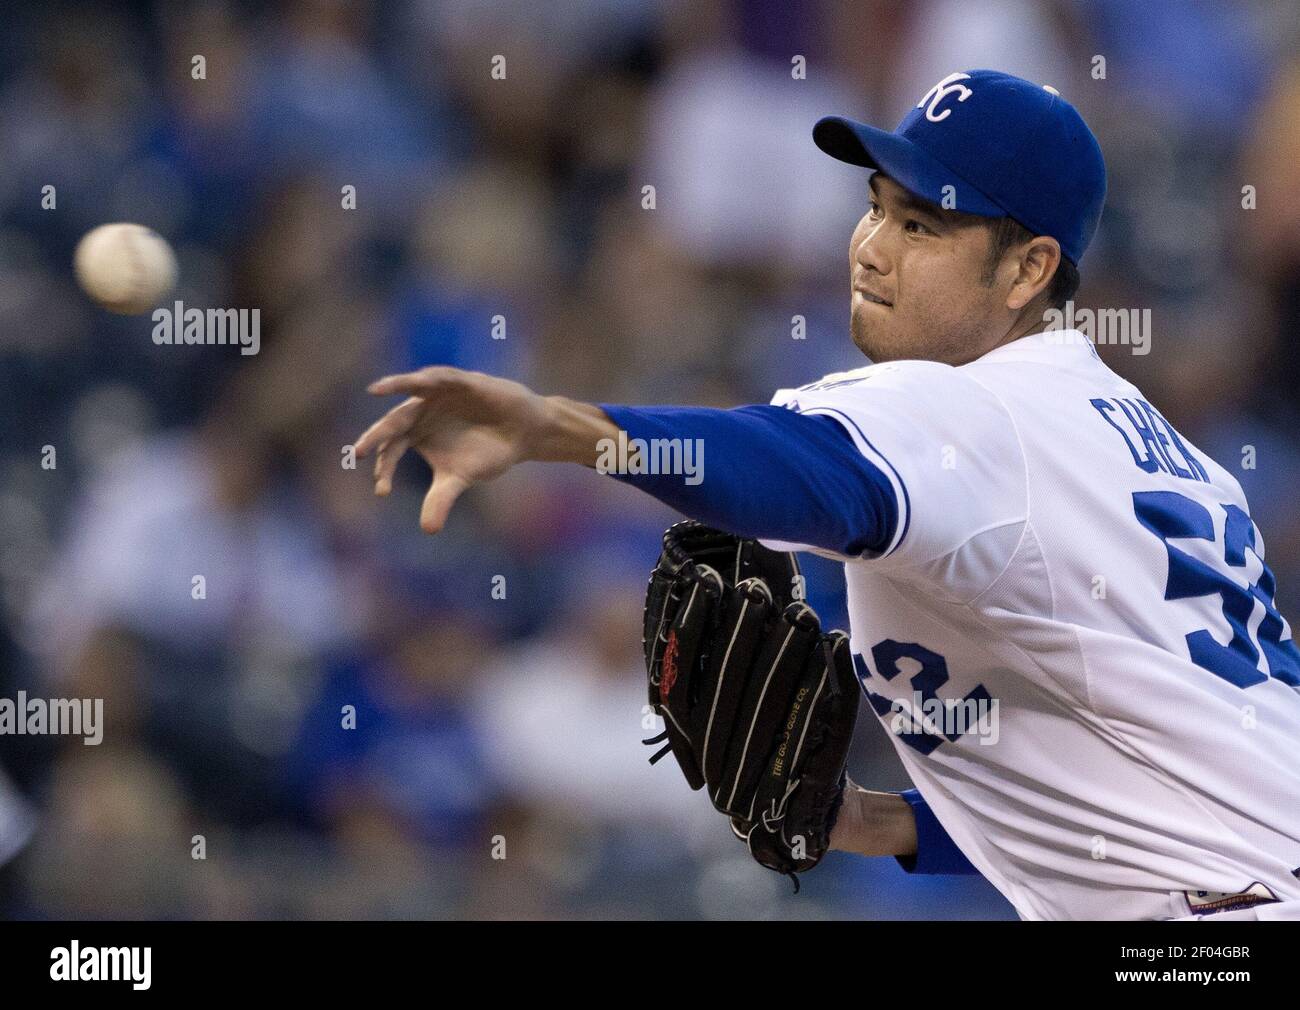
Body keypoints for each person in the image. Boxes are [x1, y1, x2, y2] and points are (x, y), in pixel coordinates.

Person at [355, 70, 1300, 921]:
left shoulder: (976, 410)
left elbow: (795, 468)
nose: (873, 248)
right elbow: (1120, 783)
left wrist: (556, 429)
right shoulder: (1167, 454)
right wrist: (875, 823)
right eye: (875, 207)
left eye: (923, 224)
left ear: (1028, 269)